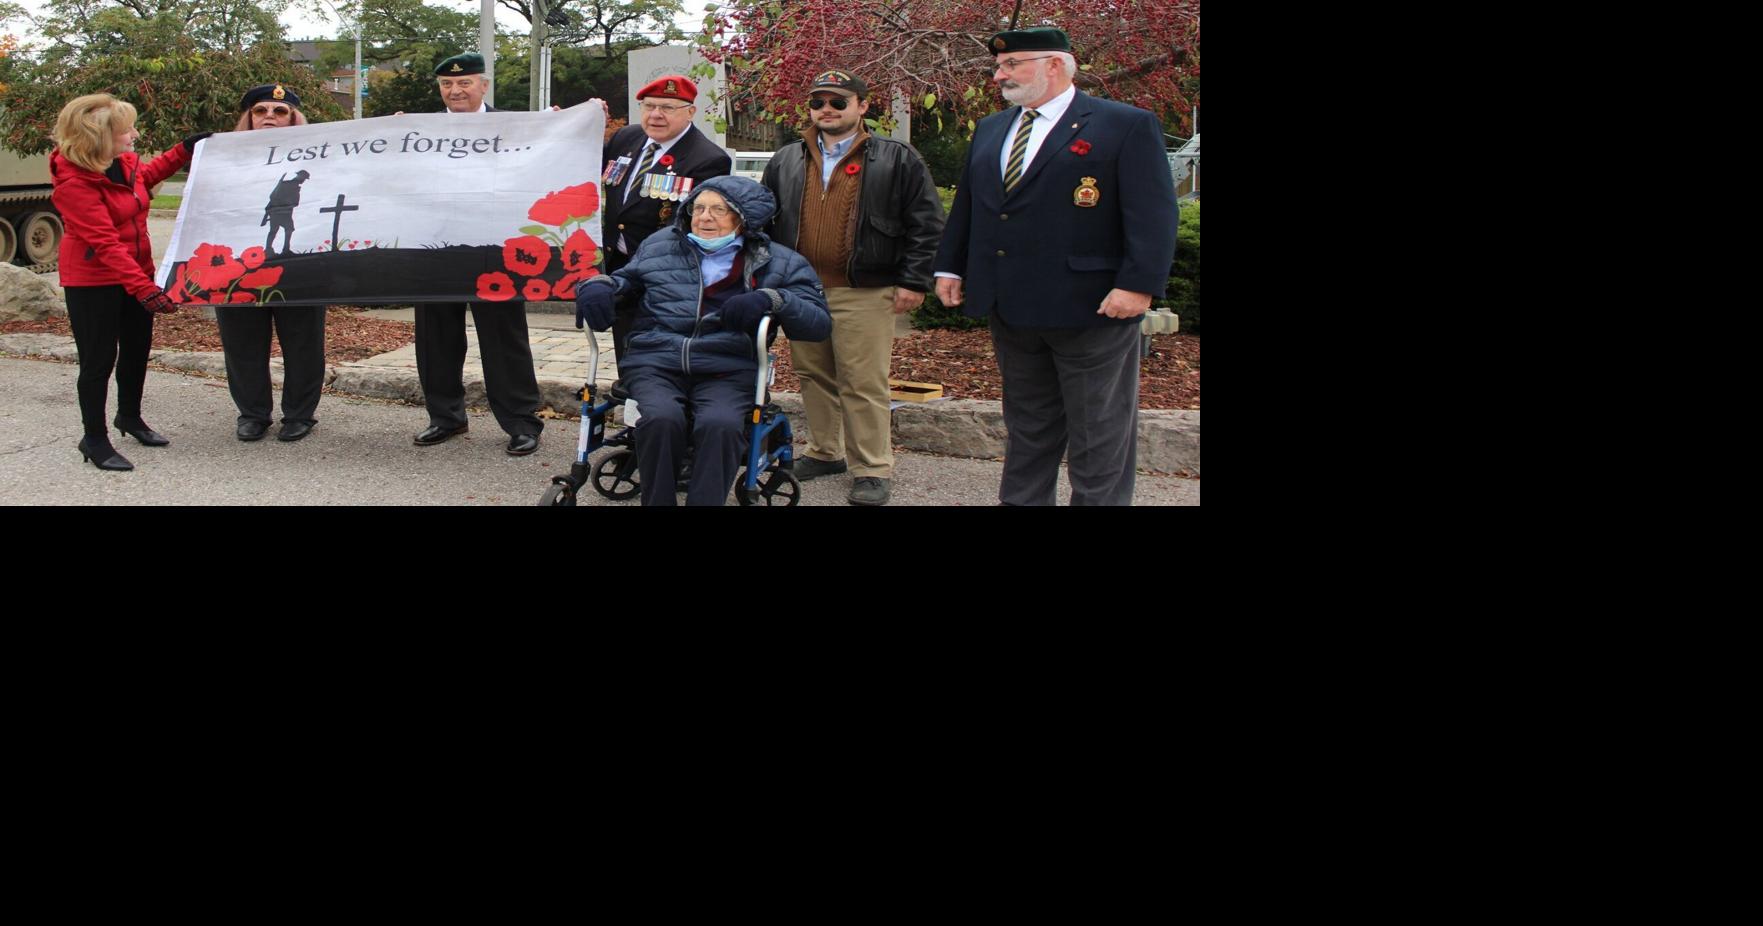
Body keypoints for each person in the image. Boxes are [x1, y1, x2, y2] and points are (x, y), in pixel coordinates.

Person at [933, 28, 1178, 506]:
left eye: (1012, 64)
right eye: (998, 66)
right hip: (1011, 305)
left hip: (1091, 307)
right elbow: (971, 205)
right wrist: (951, 266)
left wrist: (1138, 285)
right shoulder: (993, 128)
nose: (999, 75)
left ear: (1055, 65)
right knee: (1027, 424)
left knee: (1098, 430)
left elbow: (1153, 212)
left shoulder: (1123, 124)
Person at [574, 176, 830, 506]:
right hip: (657, 360)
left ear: (744, 218)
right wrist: (599, 285)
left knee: (720, 424)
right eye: (698, 208)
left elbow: (818, 324)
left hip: (728, 366)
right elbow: (627, 280)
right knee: (661, 418)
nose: (704, 217)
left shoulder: (779, 261)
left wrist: (774, 299)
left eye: (718, 210)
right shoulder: (661, 244)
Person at [761, 68, 944, 506]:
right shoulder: (786, 159)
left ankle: (873, 468)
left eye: (838, 102)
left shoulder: (897, 158)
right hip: (802, 290)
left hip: (865, 289)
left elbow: (926, 223)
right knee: (813, 375)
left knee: (863, 381)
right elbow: (764, 220)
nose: (826, 109)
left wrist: (914, 280)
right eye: (818, 102)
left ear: (862, 106)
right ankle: (825, 452)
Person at [49, 93, 208, 472]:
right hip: (93, 281)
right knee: (98, 360)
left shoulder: (123, 163)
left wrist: (183, 150)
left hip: (135, 272)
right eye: (127, 130)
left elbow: (146, 178)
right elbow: (105, 244)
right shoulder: (73, 184)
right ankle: (94, 438)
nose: (135, 134)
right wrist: (146, 289)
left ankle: (130, 417)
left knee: (137, 350)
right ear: (100, 137)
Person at [410, 52, 546, 456]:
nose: (456, 91)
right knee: (436, 339)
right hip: (434, 248)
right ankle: (445, 417)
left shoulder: (515, 127)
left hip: (495, 249)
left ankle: (521, 422)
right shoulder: (417, 131)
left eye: (465, 82)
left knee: (504, 338)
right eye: (447, 84)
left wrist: (566, 123)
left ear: (484, 86)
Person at [213, 84, 327, 443]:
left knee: (303, 341)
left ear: (293, 119)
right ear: (249, 117)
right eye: (261, 111)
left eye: (280, 112)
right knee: (242, 341)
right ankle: (252, 413)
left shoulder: (318, 159)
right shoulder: (223, 157)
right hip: (238, 263)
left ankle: (300, 414)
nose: (269, 117)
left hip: (300, 265)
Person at [600, 75, 732, 369]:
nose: (656, 115)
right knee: (626, 353)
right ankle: (630, 396)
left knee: (657, 358)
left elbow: (693, 225)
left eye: (668, 108)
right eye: (649, 106)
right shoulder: (626, 139)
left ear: (690, 112)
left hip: (666, 276)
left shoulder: (708, 159)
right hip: (618, 267)